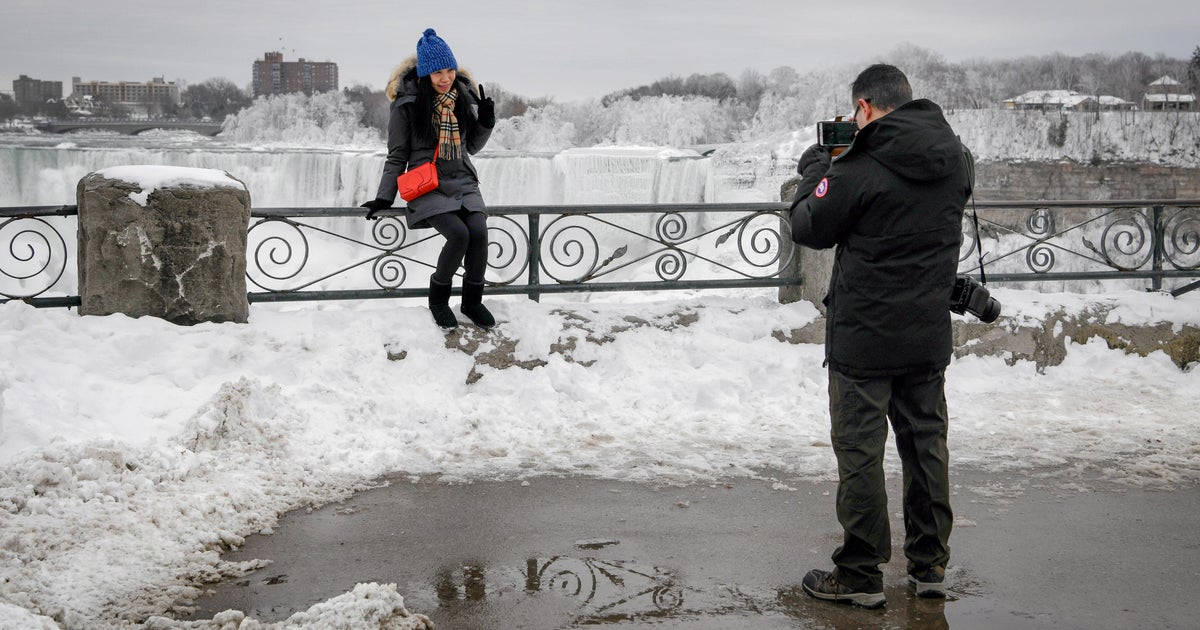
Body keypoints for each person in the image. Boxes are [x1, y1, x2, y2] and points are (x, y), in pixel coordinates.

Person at [789, 64, 972, 608]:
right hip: (926, 333)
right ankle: (930, 565)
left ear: (864, 107)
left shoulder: (859, 166)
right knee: (926, 447)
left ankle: (861, 574)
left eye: (855, 113)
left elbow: (808, 226)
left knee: (861, 454)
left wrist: (817, 170)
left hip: (864, 339)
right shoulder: (956, 158)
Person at [361, 28, 497, 329]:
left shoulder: (461, 97)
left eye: (450, 70)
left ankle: (472, 302)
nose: (446, 78)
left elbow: (471, 146)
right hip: (429, 184)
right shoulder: (407, 104)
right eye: (438, 72)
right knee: (459, 235)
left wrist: (486, 121)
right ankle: (438, 300)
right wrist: (384, 197)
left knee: (478, 233)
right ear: (425, 73)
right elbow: (397, 155)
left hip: (463, 181)